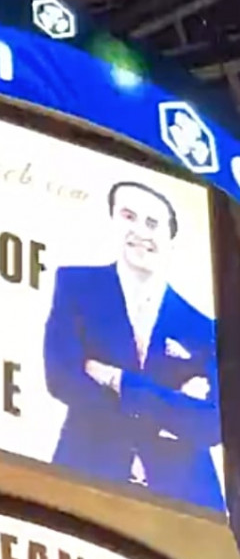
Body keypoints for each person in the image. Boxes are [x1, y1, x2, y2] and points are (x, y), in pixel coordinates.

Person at [43, 180, 222, 511]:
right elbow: (62, 378)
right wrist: (172, 409)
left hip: (182, 495)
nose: (141, 231)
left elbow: (212, 424)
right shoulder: (76, 286)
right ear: (113, 221)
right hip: (87, 470)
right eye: (129, 216)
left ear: (171, 239)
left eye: (153, 223)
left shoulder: (203, 328)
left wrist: (118, 381)